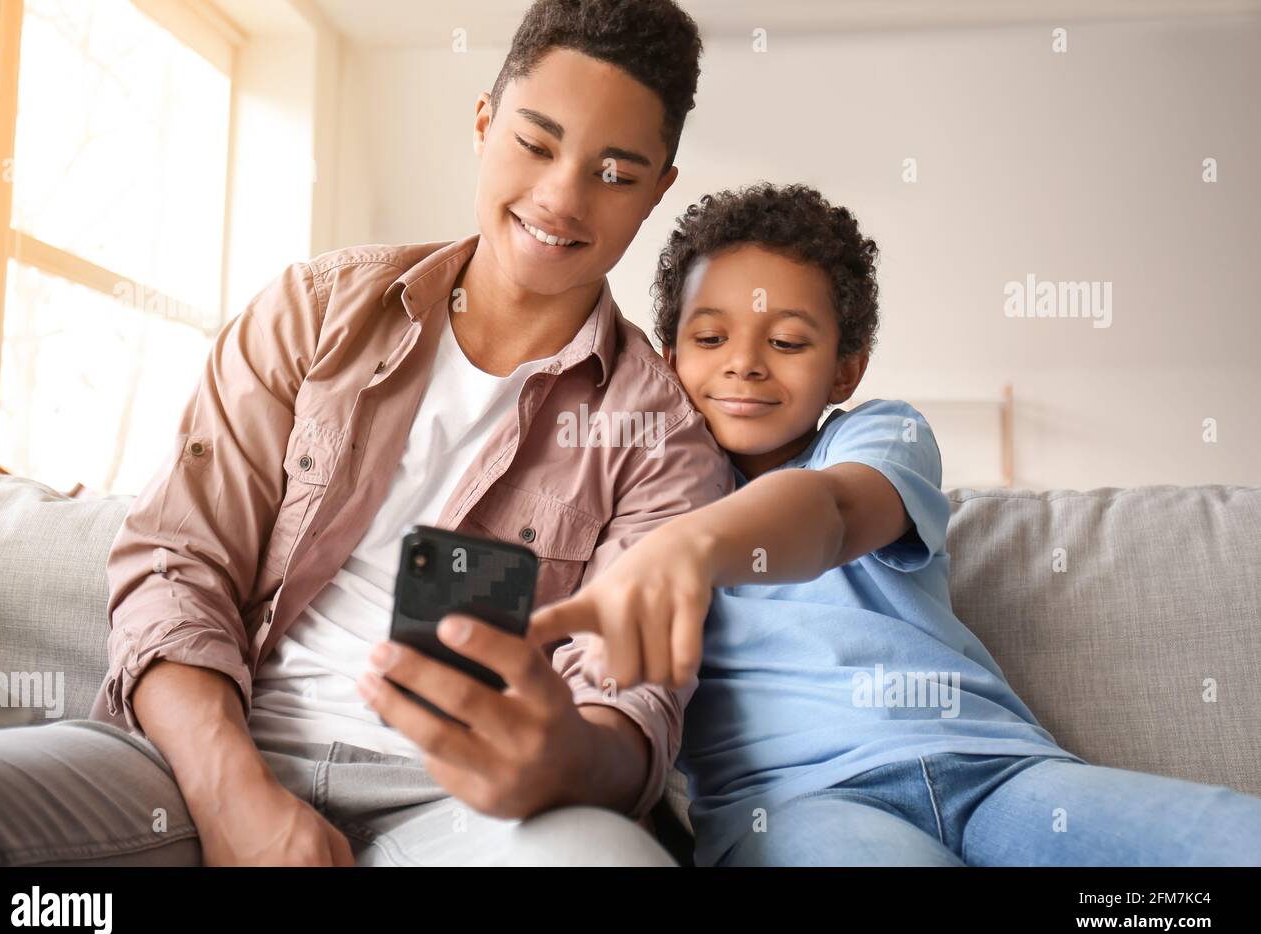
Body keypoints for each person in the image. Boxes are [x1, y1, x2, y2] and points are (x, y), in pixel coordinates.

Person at [0, 0, 732, 867]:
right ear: (484, 124)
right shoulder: (314, 311)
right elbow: (176, 566)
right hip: (200, 763)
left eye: (616, 174)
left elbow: (629, 711)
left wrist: (565, 756)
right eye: (535, 143)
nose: (562, 196)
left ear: (659, 189)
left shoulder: (664, 439)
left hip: (462, 812)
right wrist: (237, 801)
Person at [526, 182, 1261, 866]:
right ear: (669, 358)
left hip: (996, 771)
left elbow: (835, 512)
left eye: (787, 342)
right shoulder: (645, 502)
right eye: (711, 338)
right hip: (799, 806)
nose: (744, 364)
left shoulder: (876, 436)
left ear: (845, 369)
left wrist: (695, 548)